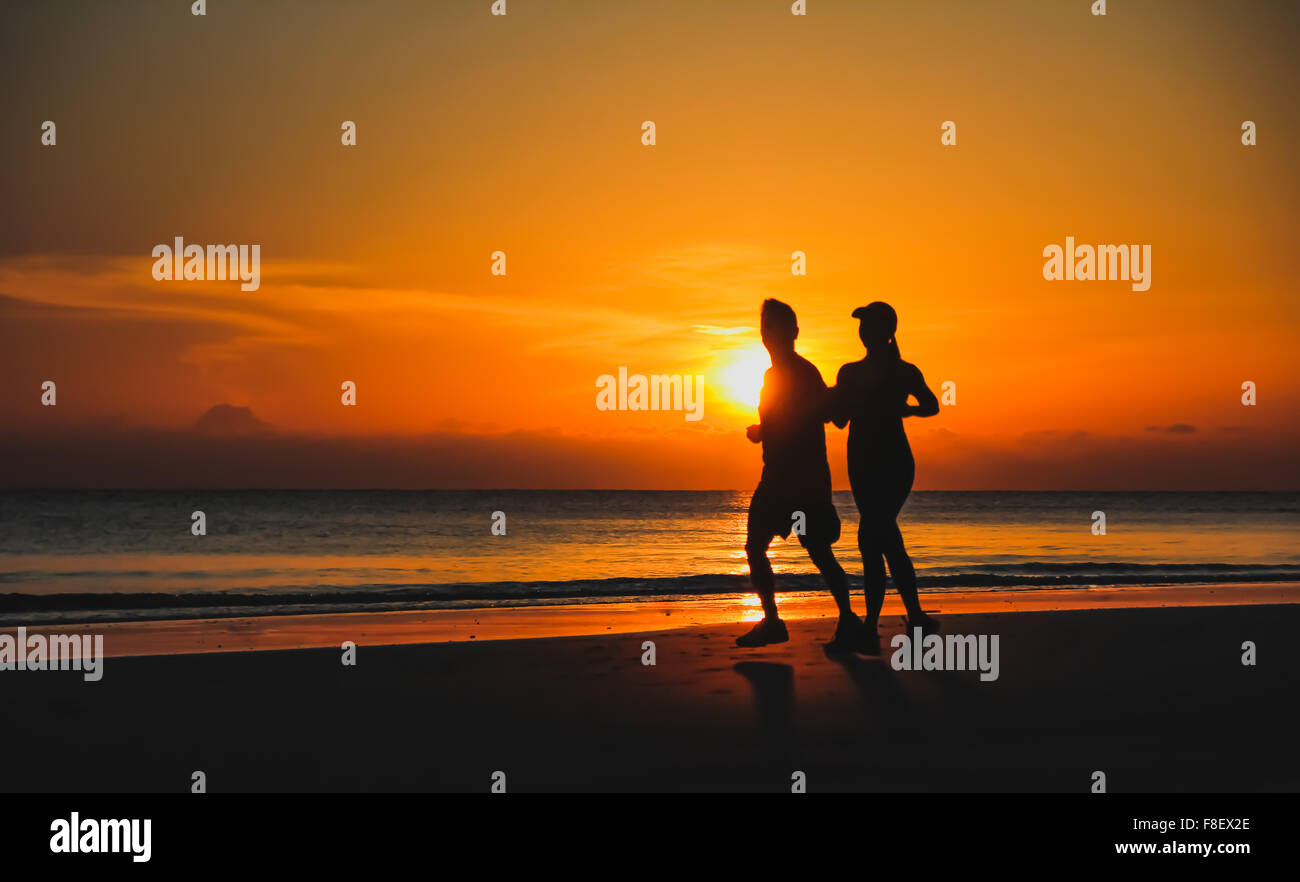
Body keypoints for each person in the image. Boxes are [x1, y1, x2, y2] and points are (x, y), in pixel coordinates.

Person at [737, 299, 862, 650]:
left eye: (776, 326)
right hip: (777, 477)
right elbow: (784, 419)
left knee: (820, 552)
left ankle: (847, 620)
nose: (769, 334)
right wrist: (762, 430)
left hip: (801, 481)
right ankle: (774, 621)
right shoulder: (770, 376)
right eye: (766, 327)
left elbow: (825, 414)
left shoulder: (805, 373)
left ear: (793, 332)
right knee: (756, 547)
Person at [829, 302, 939, 654]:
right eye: (861, 326)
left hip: (893, 464)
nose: (863, 332)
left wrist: (902, 408)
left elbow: (931, 404)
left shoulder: (904, 372)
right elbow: (840, 419)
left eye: (869, 326)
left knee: (872, 536)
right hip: (861, 464)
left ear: (885, 331)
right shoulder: (850, 373)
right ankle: (915, 619)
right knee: (884, 538)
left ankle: (871, 627)